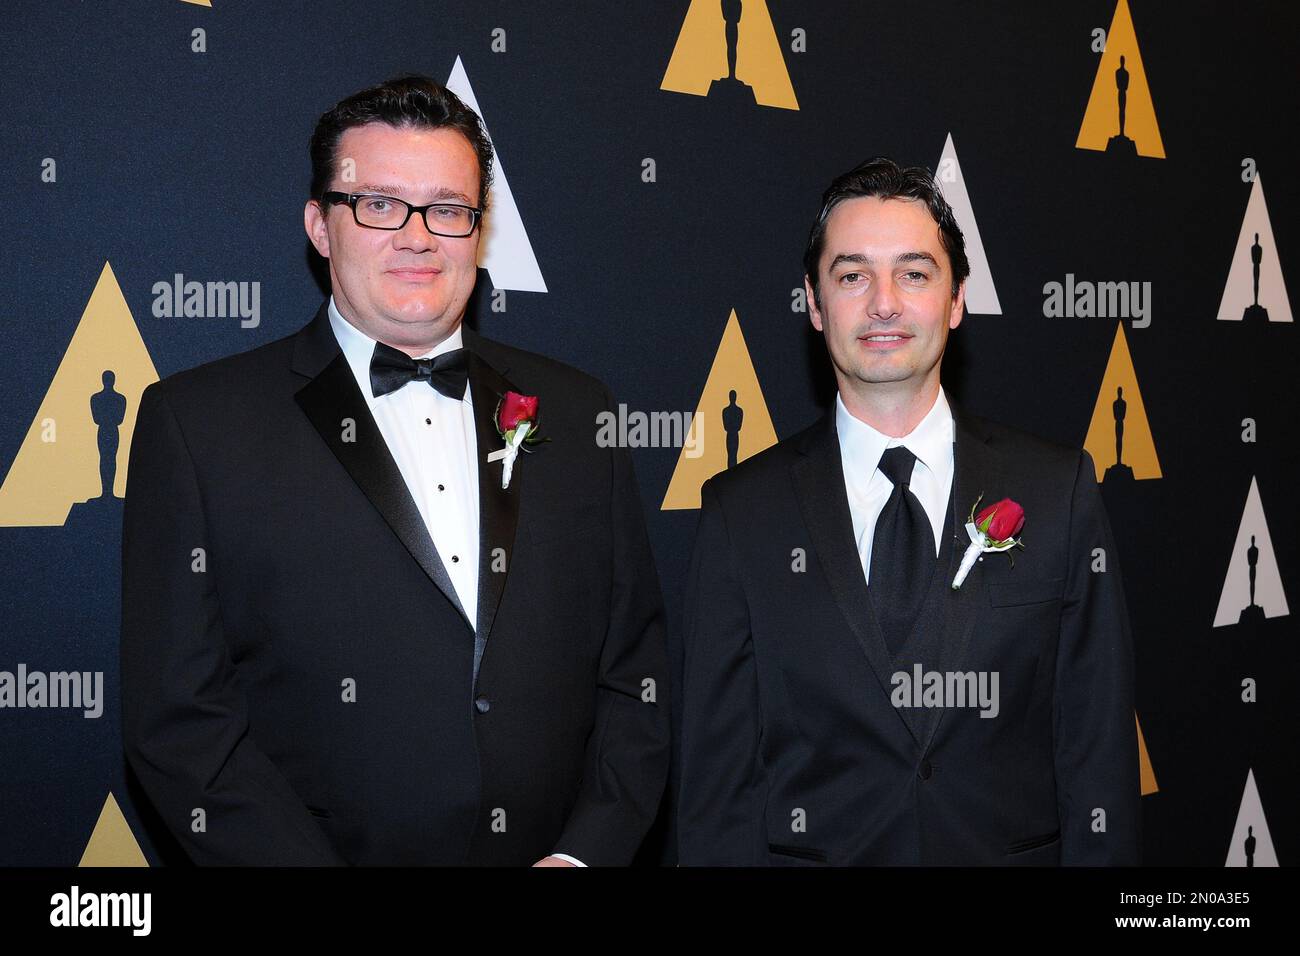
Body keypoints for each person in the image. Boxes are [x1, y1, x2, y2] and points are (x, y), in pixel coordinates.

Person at [120, 75, 670, 866]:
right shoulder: (200, 425)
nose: (418, 237)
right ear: (320, 224)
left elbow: (634, 678)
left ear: (479, 233)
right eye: (379, 204)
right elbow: (180, 719)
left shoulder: (579, 413)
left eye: (448, 209)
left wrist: (586, 853)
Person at [677, 157, 1140, 865]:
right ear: (813, 301)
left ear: (955, 301)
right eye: (853, 274)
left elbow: (1097, 753)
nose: (884, 303)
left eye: (915, 274)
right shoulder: (742, 513)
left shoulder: (1058, 491)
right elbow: (718, 792)